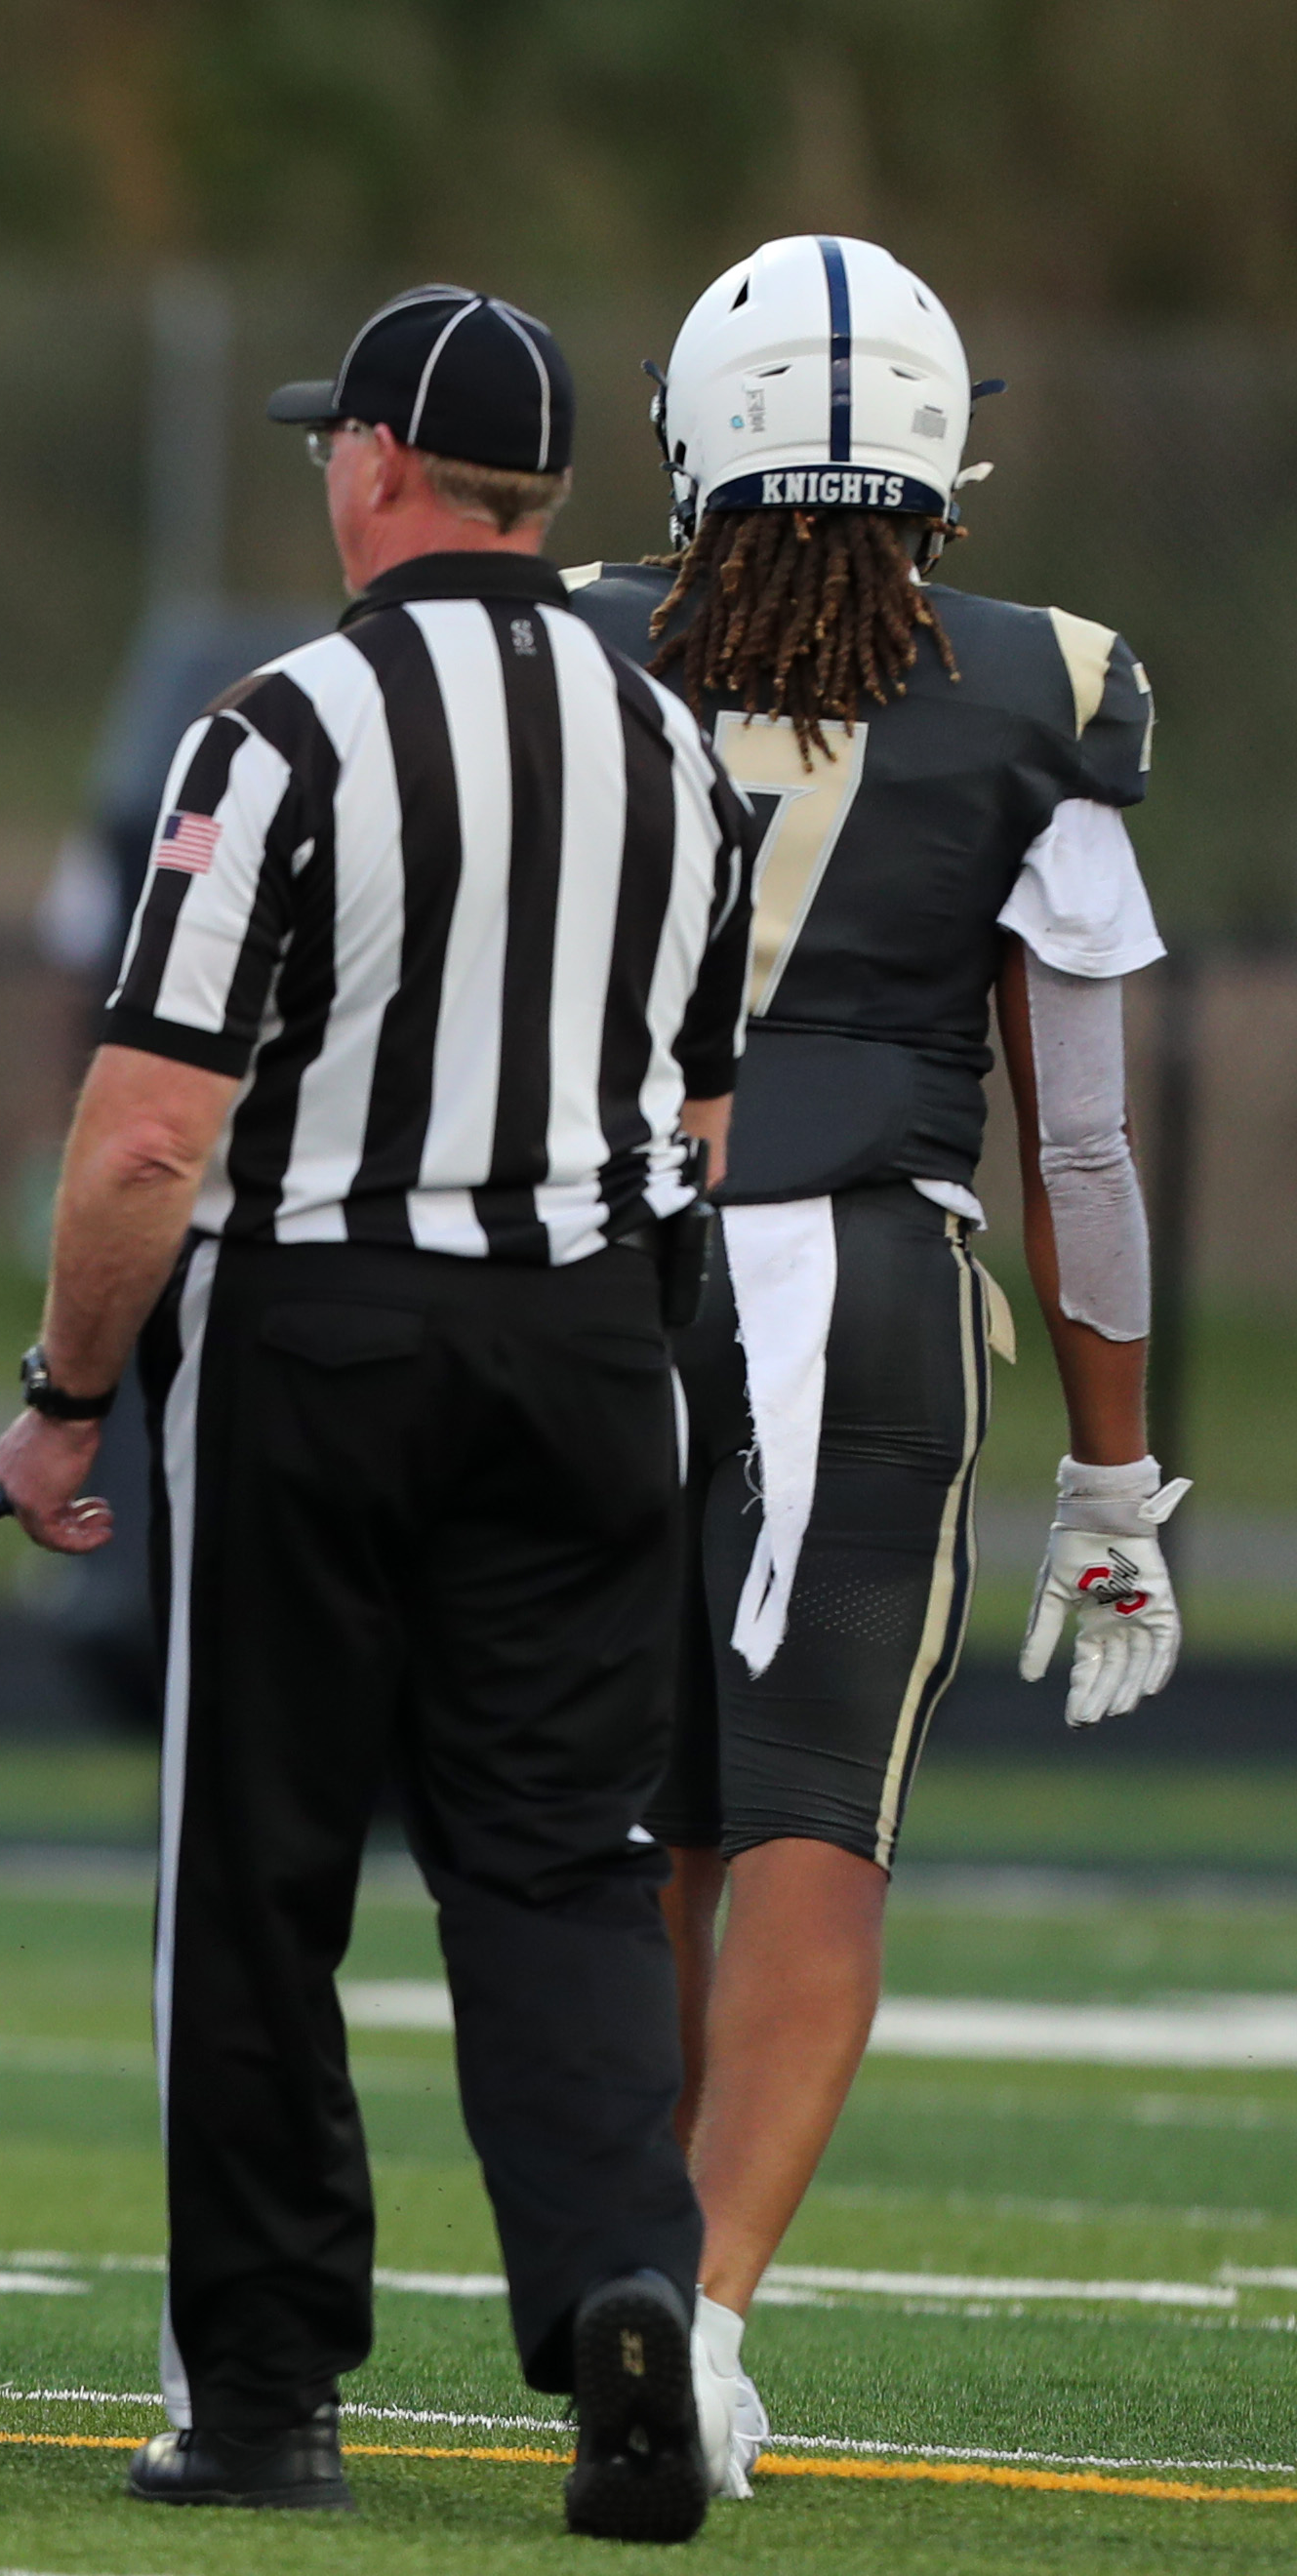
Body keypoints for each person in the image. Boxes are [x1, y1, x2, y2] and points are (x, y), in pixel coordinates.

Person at [0, 285, 752, 2541]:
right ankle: (622, 2284)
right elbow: (698, 1121)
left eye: (336, 440)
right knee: (563, 1864)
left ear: (381, 467)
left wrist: (62, 1398)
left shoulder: (280, 729)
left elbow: (149, 1132)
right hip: (590, 1340)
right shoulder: (671, 746)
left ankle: (261, 2392)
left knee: (256, 1876)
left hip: (322, 1326)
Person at [561, 235, 1178, 2499]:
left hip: (584, 1276)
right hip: (863, 1281)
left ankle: (619, 2255)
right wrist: (1109, 1485)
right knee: (813, 1826)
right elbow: (1081, 1145)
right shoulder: (1041, 687)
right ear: (937, 459)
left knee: (629, 1826)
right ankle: (702, 2319)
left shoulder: (565, 646)